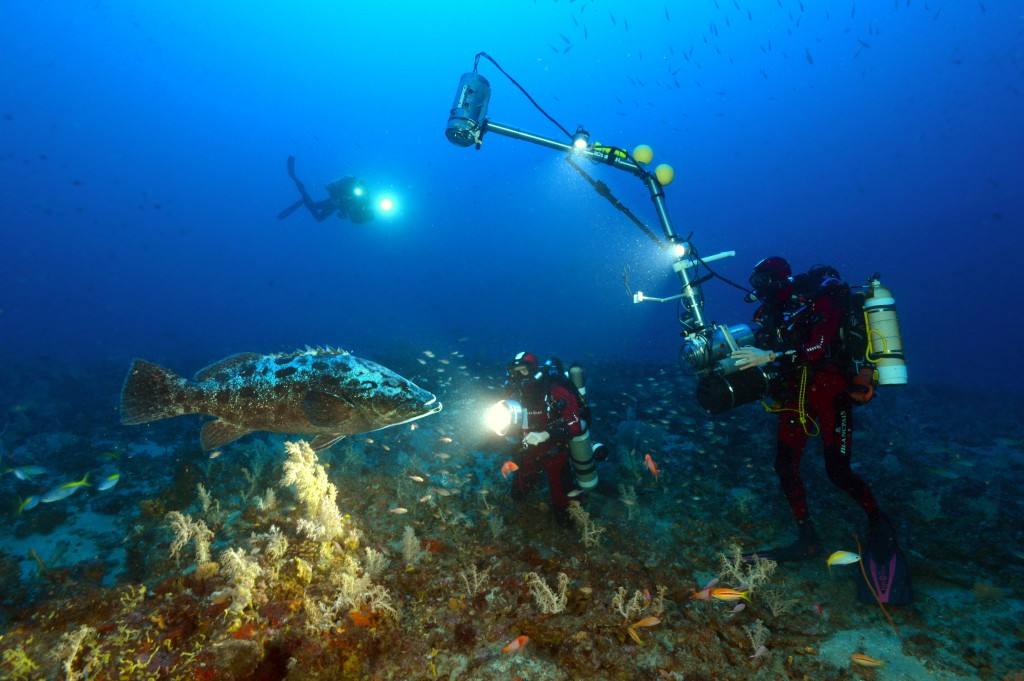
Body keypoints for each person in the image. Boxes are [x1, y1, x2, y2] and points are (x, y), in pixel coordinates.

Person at [731, 256, 911, 604]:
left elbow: (819, 347)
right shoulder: (776, 310)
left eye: (764, 281)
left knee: (838, 471)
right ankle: (807, 538)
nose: (759, 289)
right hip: (795, 396)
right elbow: (768, 343)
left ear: (782, 278)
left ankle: (880, 523)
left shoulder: (824, 299)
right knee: (784, 466)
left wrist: (769, 357)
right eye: (756, 282)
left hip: (831, 393)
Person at [502, 352, 584, 527]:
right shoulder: (513, 392)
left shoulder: (553, 388)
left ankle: (577, 502)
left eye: (523, 370)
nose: (519, 376)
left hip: (555, 451)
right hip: (528, 451)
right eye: (515, 371)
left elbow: (576, 423)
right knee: (517, 495)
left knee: (565, 516)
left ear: (533, 370)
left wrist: (546, 434)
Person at [277, 156, 374, 224]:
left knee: (317, 213)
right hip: (337, 198)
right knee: (315, 210)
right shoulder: (363, 202)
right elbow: (357, 191)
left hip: (336, 203)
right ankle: (300, 189)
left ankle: (304, 200)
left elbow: (344, 211)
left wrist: (342, 213)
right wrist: (341, 199)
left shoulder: (357, 210)